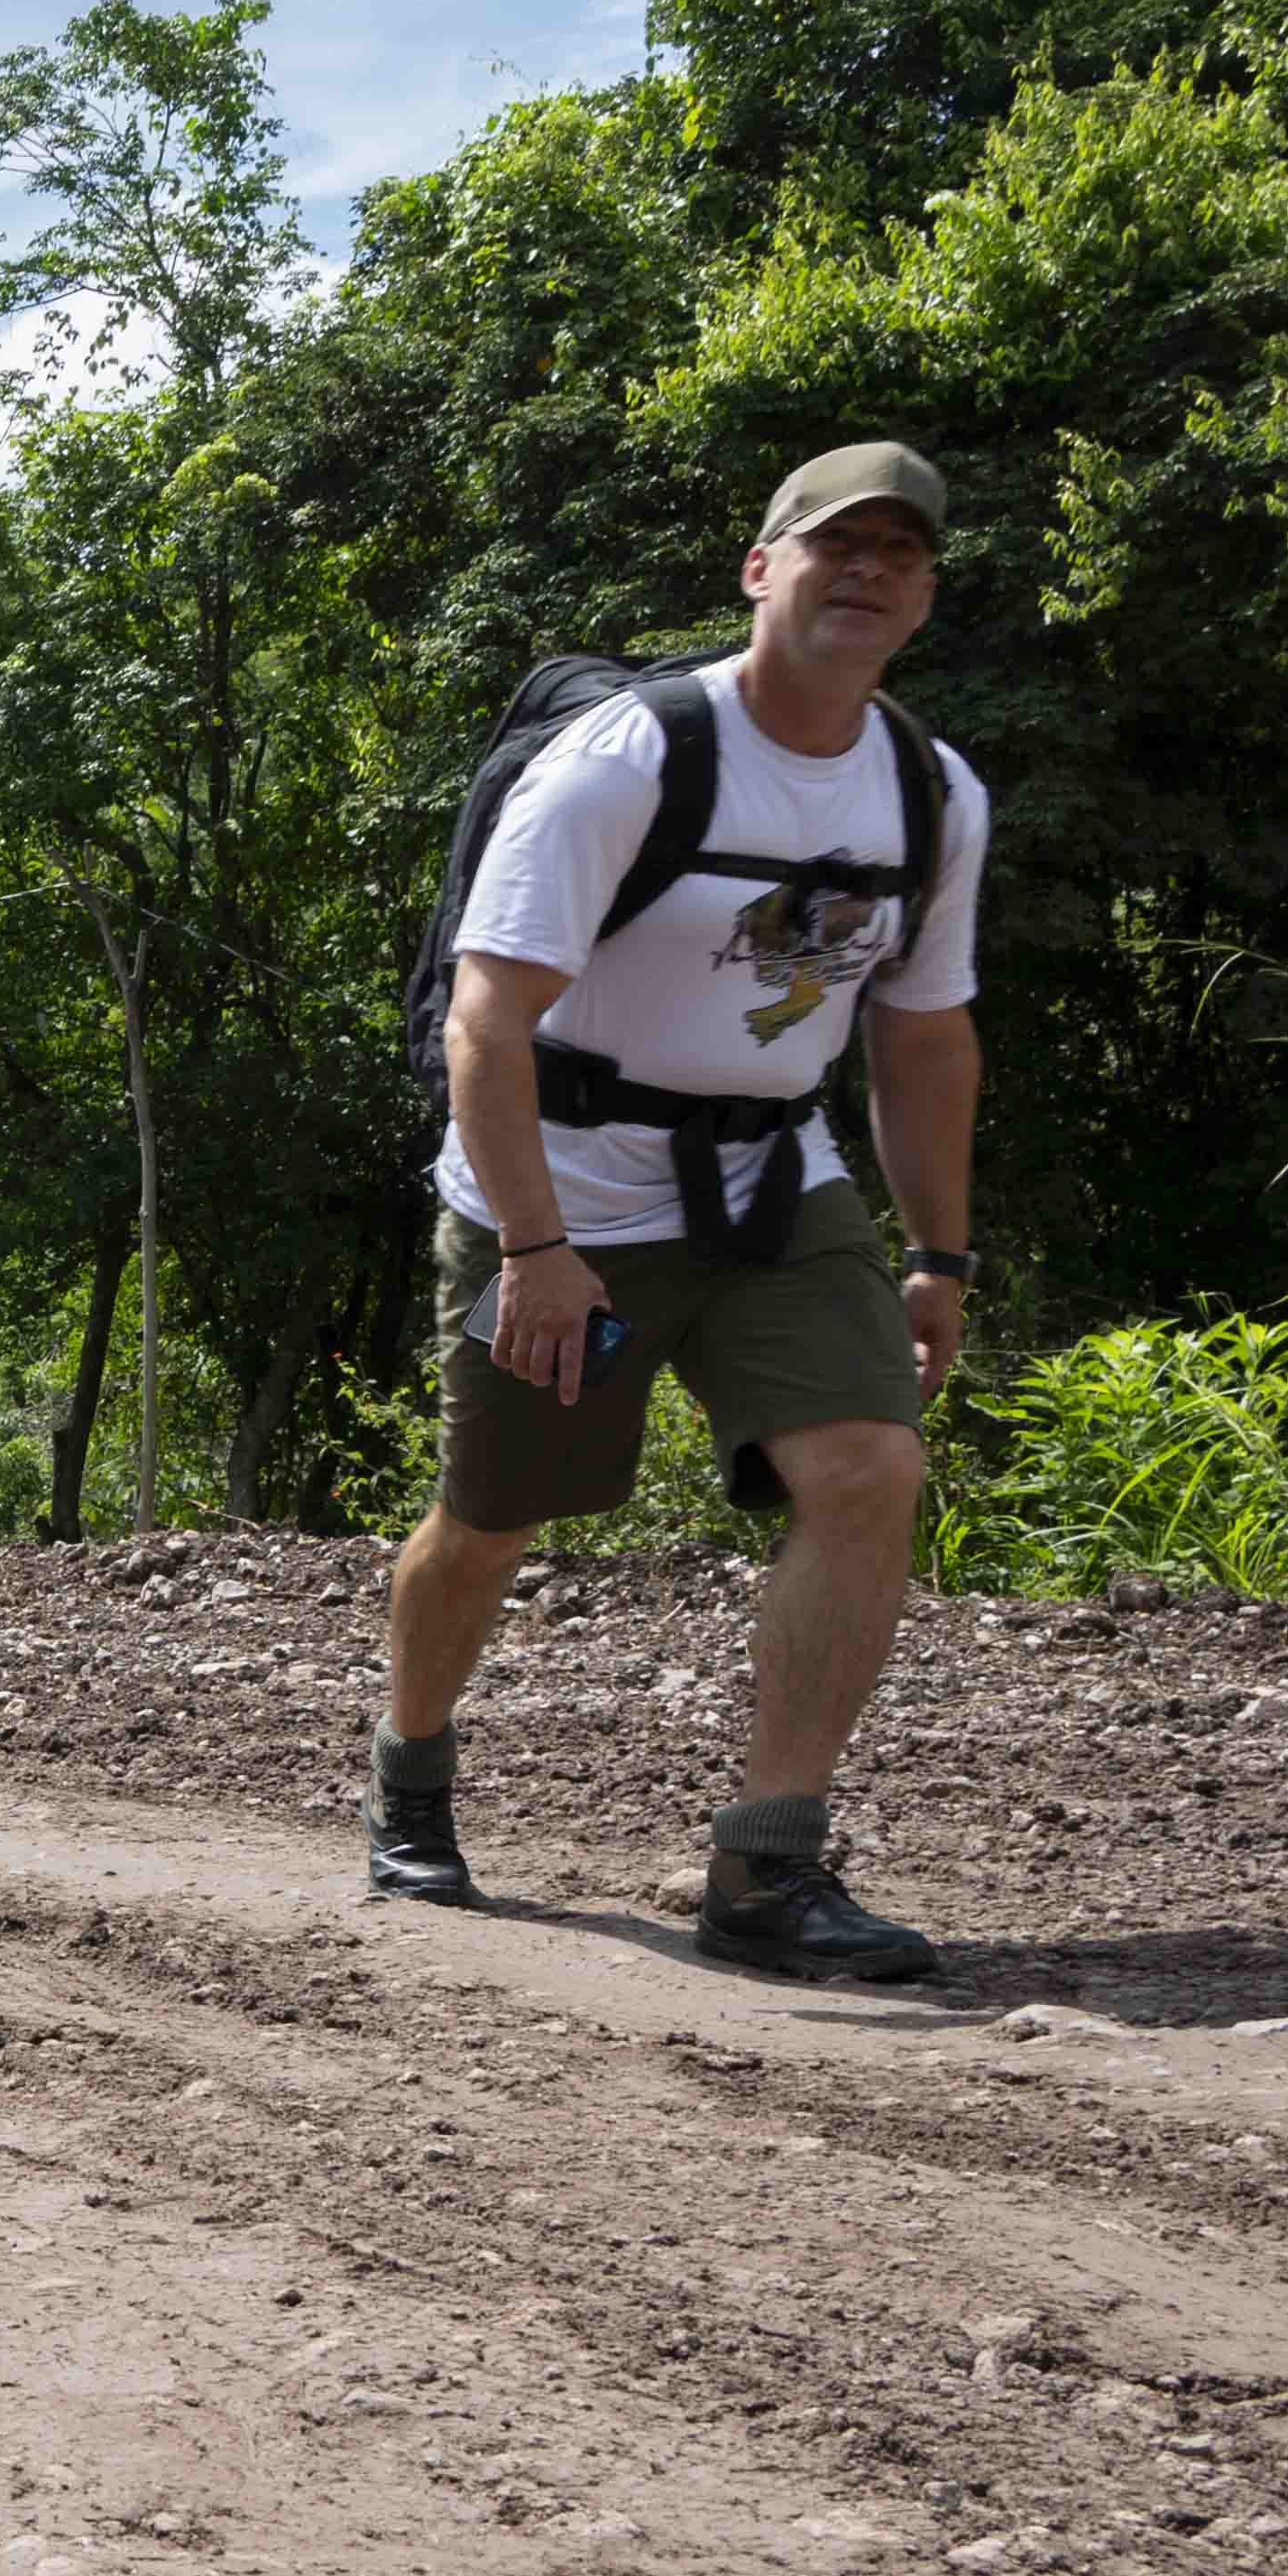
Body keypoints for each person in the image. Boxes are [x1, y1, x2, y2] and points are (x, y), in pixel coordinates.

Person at [370, 444, 988, 1981]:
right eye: (831, 543)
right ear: (757, 569)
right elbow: (484, 1022)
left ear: (923, 592)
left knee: (865, 1466)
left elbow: (921, 1037)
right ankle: (411, 1772)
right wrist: (531, 1248)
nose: (864, 570)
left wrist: (936, 1255)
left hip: (778, 1181)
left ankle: (766, 1870)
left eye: (897, 553)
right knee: (495, 1517)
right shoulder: (626, 760)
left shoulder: (928, 790)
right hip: (560, 1188)